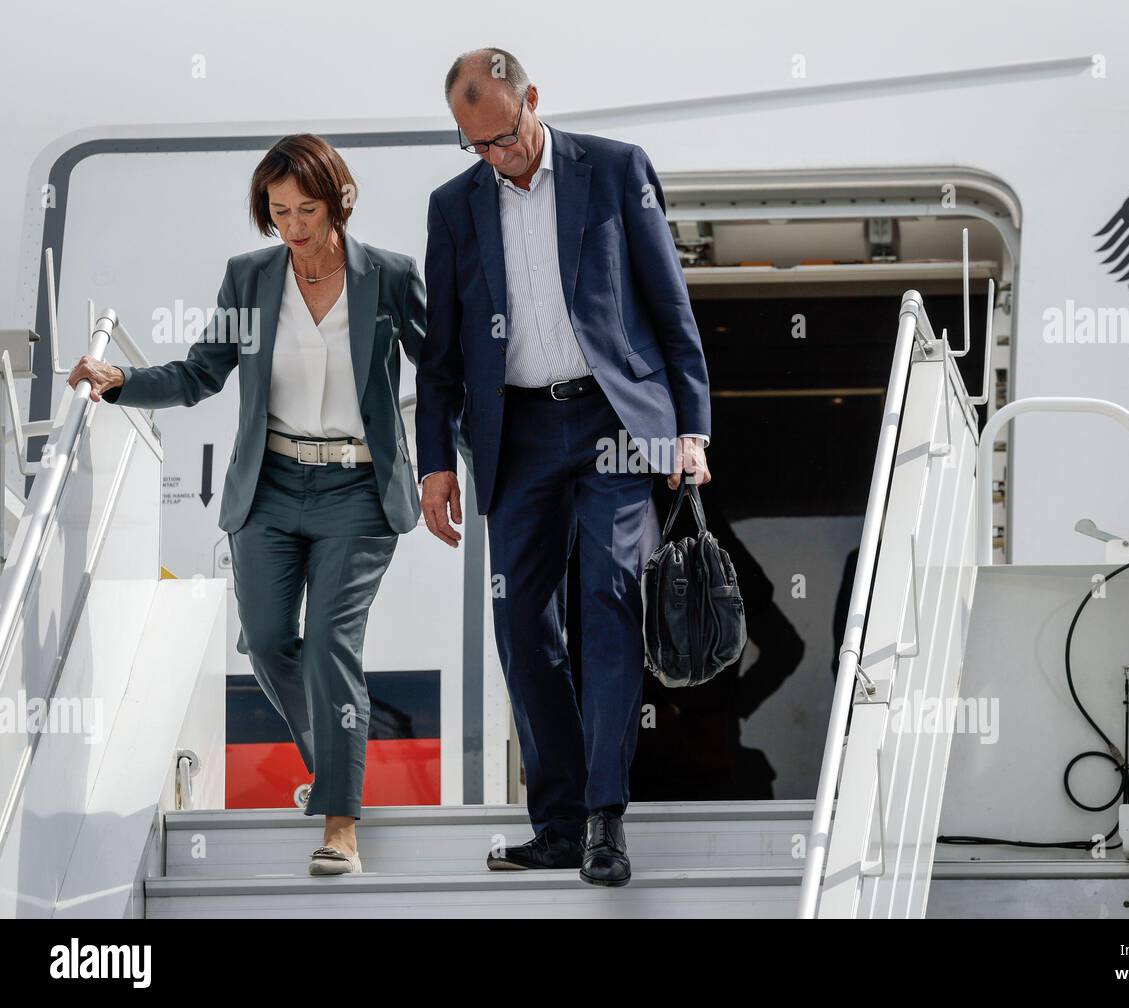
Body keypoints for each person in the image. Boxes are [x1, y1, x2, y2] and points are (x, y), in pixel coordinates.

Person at [68, 134, 426, 876]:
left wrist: (454, 459)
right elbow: (203, 372)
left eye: (306, 208)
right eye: (278, 210)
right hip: (269, 489)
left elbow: (444, 369)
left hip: (359, 491)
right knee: (266, 643)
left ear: (338, 202)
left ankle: (339, 824)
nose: (292, 225)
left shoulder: (389, 277)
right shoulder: (251, 279)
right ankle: (332, 763)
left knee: (332, 644)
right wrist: (121, 381)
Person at [416, 47, 712, 887]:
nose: (494, 155)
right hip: (516, 436)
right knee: (522, 626)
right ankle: (557, 820)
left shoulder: (615, 170)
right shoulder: (454, 206)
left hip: (615, 422)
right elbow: (442, 351)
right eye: (474, 144)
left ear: (531, 102)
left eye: (502, 136)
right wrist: (436, 460)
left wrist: (689, 425)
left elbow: (669, 302)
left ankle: (605, 820)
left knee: (611, 600)